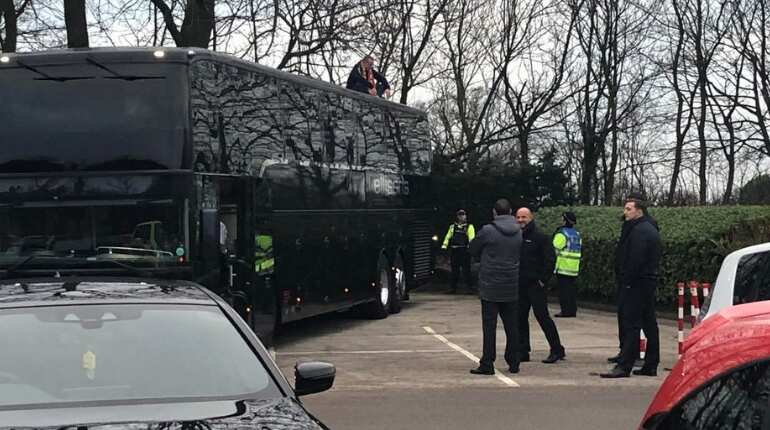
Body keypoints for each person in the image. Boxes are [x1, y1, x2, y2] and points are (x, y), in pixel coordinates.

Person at [601, 196, 661, 378]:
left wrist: (626, 282)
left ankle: (624, 365)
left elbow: (635, 260)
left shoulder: (640, 231)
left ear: (639, 211)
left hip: (636, 284)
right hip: (646, 283)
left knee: (631, 324)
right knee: (649, 323)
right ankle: (651, 363)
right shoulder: (647, 228)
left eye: (628, 209)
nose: (624, 212)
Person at [468, 199, 522, 375]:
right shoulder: (518, 232)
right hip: (511, 283)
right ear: (511, 211)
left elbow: (473, 248)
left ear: (494, 212)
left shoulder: (488, 231)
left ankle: (487, 363)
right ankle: (514, 361)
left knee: (489, 326)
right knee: (511, 325)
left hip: (490, 284)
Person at [516, 207, 566, 364]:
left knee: (542, 317)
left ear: (531, 218)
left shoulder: (541, 237)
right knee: (520, 318)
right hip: (520, 285)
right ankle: (523, 350)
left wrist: (542, 280)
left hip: (535, 286)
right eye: (518, 217)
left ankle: (557, 349)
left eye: (524, 217)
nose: (521, 220)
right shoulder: (516, 237)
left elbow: (550, 260)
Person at [553, 211, 581, 317]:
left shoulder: (562, 233)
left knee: (563, 291)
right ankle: (572, 310)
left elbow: (555, 248)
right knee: (571, 291)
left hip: (563, 267)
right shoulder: (576, 234)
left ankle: (565, 311)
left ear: (565, 220)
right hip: (574, 267)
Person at [441, 209, 476, 294]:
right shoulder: (452, 227)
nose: (462, 216)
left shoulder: (469, 227)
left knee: (466, 270)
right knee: (454, 271)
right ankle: (452, 288)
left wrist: (471, 248)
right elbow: (448, 236)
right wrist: (444, 246)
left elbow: (472, 238)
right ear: (457, 216)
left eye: (463, 214)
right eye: (460, 215)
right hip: (455, 250)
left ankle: (470, 288)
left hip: (464, 251)